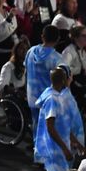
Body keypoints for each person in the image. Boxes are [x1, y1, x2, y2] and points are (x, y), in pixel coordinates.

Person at [34, 67, 84, 171]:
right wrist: (64, 148)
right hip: (52, 151)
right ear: (63, 80)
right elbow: (50, 128)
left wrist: (74, 141)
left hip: (59, 149)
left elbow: (62, 125)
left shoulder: (54, 96)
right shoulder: (52, 100)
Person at [26, 25, 66, 154]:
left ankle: (38, 151)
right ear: (58, 39)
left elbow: (26, 70)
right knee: (50, 128)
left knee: (37, 125)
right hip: (48, 98)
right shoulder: (57, 58)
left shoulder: (30, 51)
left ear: (42, 36)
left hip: (32, 96)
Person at [0, 36, 29, 115]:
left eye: (26, 49)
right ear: (16, 50)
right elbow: (2, 86)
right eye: (22, 49)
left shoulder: (26, 65)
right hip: (13, 94)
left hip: (23, 93)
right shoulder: (9, 66)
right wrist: (17, 91)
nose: (24, 51)